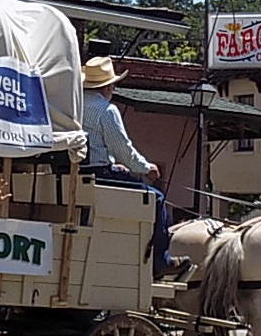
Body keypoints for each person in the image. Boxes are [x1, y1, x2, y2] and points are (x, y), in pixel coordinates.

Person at [78, 56, 189, 279]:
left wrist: (114, 163)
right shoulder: (106, 110)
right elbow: (123, 150)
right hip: (100, 175)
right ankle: (160, 262)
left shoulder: (75, 106)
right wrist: (146, 167)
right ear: (108, 86)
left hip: (80, 173)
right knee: (156, 199)